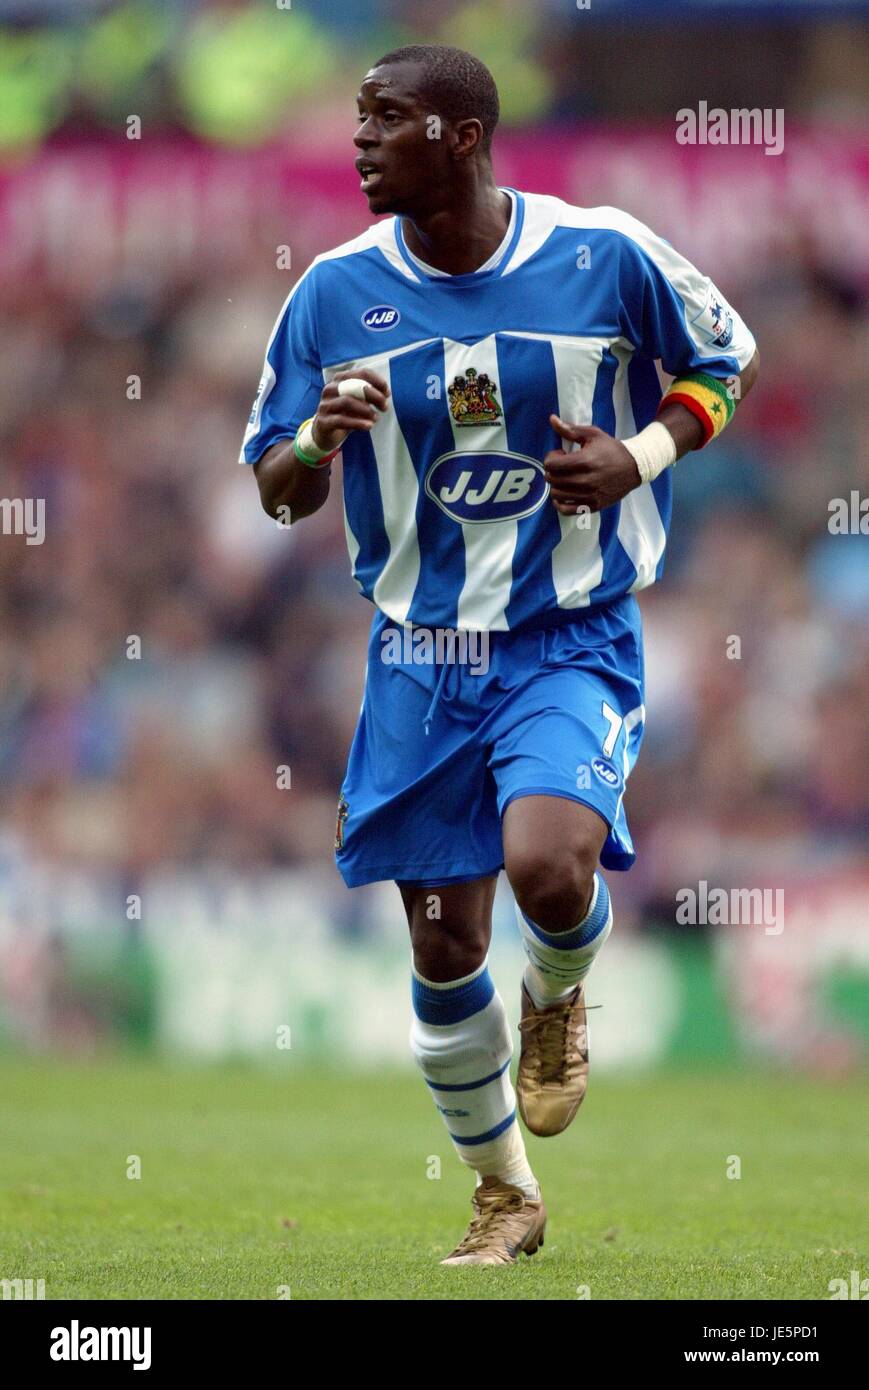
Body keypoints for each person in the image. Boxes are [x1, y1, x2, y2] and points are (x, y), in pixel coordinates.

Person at [241, 44, 759, 1265]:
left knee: (546, 864)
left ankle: (559, 994)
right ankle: (503, 1195)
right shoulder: (329, 292)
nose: (358, 140)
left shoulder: (602, 252)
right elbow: (272, 490)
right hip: (419, 654)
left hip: (566, 634)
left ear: (461, 136)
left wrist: (635, 457)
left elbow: (719, 362)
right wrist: (316, 440)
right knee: (441, 943)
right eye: (357, 119)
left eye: (385, 119)